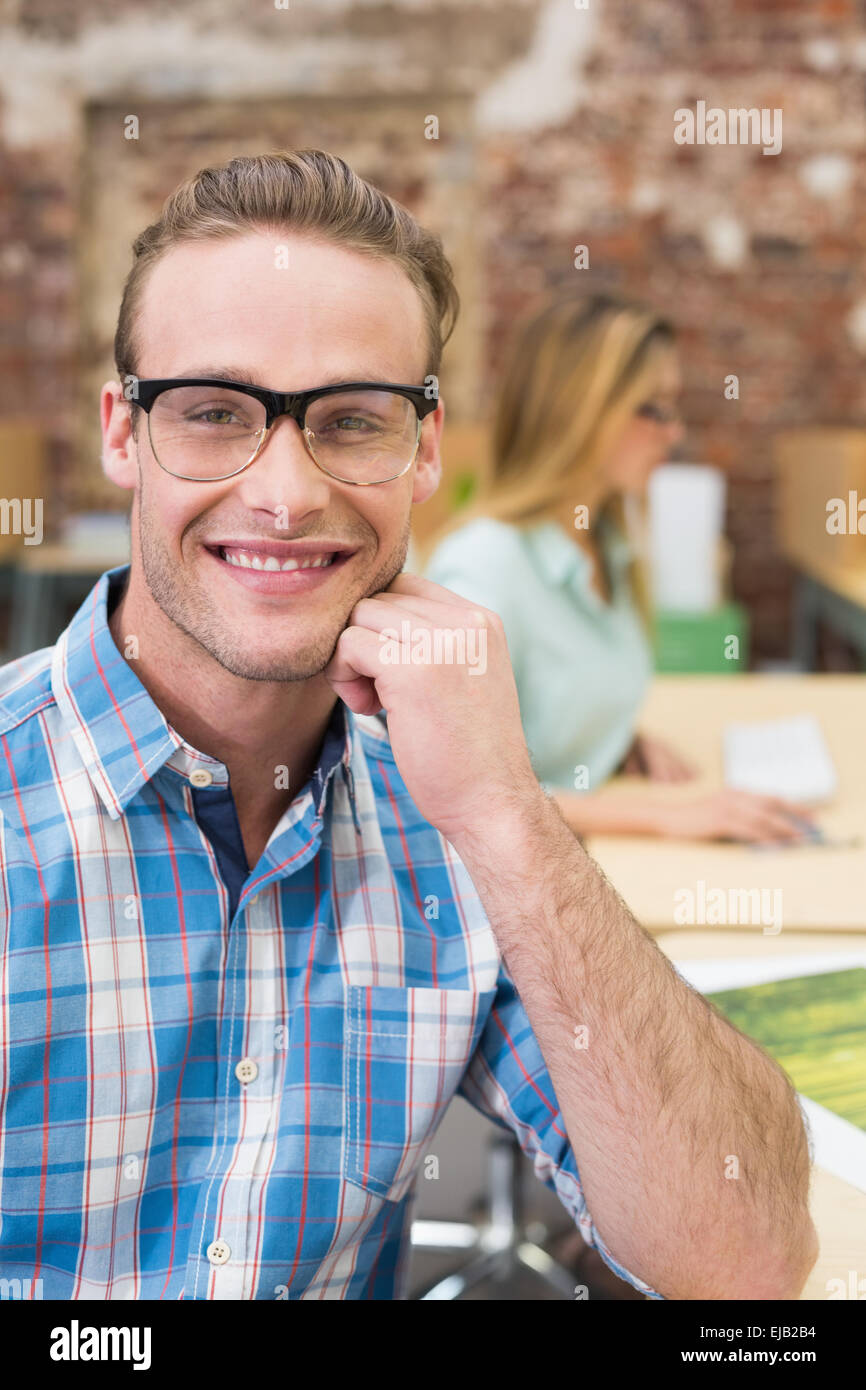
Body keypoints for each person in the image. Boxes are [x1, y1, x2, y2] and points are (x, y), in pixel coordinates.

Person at [0, 151, 816, 1300]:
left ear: (424, 451)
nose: (283, 492)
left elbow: (741, 1266)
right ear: (122, 433)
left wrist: (507, 816)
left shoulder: (446, 817)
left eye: (350, 420)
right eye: (213, 412)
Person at [425, 294, 816, 844]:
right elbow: (457, 798)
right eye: (653, 408)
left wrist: (610, 742)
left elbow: (545, 725)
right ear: (578, 411)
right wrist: (666, 816)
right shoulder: (481, 571)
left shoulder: (605, 541)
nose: (674, 433)